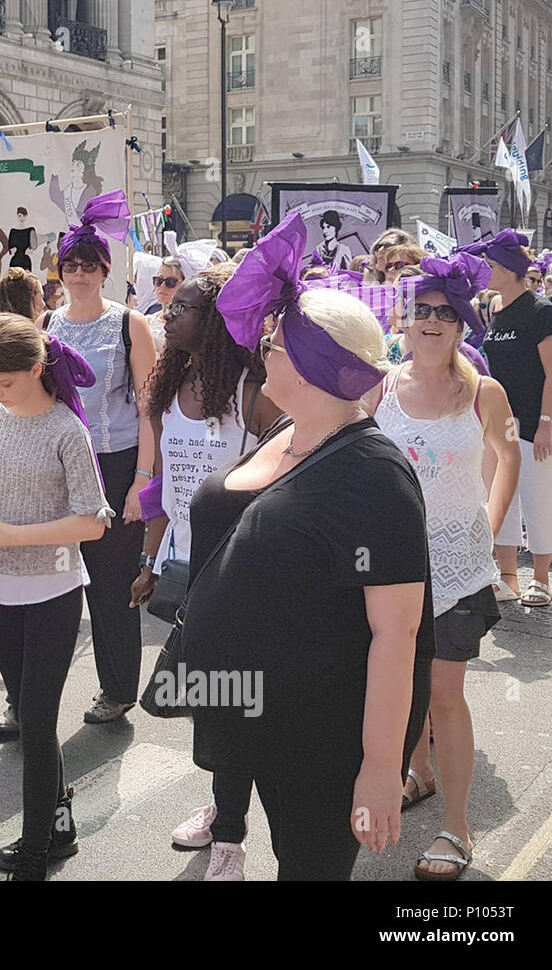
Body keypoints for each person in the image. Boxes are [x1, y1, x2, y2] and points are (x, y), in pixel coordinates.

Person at [186, 211, 433, 881]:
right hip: (260, 715)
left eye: (274, 342)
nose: (260, 348)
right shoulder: (288, 432)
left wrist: (382, 767)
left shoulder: (374, 475)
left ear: (315, 364)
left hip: (324, 738)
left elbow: (398, 633)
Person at [129, 263, 282, 881]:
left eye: (182, 306)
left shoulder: (250, 386)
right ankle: (225, 807)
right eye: (169, 305)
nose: (168, 313)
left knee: (232, 701)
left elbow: (292, 462)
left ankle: (230, 840)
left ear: (213, 319)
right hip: (184, 567)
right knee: (210, 701)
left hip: (239, 567)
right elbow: (170, 486)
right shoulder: (174, 382)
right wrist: (148, 559)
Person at [371, 252, 520, 881]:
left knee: (444, 692)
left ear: (461, 325)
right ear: (405, 320)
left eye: (444, 313)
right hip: (393, 565)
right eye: (421, 310)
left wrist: (488, 525)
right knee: (399, 687)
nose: (431, 321)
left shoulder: (485, 392)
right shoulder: (378, 386)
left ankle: (456, 829)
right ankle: (421, 774)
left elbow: (507, 457)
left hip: (457, 565)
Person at [0, 315, 112, 880]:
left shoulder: (67, 428)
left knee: (38, 724)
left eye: (4, 383)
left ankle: (37, 849)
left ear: (37, 370)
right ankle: (58, 821)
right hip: (1, 590)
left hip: (55, 592)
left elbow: (93, 522)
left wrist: (14, 534)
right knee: (30, 715)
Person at [43, 190, 157, 726]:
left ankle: (117, 689)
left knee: (112, 587)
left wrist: (140, 483)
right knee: (53, 581)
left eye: (89, 264)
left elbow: (149, 410)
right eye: (71, 264)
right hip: (62, 467)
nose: (80, 273)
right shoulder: (47, 326)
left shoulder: (129, 324)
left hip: (116, 465)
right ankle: (32, 696)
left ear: (106, 270)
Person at [473, 230, 552, 607]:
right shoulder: (492, 308)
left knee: (537, 501)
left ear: (510, 270)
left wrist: (546, 423)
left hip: (538, 423)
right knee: (502, 501)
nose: (484, 271)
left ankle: (540, 579)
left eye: (490, 266)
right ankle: (508, 577)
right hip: (499, 426)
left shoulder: (541, 311)